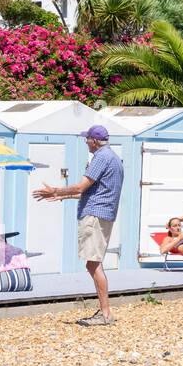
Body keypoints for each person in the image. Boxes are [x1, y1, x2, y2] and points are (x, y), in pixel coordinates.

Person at [33, 125, 124, 326]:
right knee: (94, 262)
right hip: (104, 214)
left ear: (94, 141)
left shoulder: (100, 158)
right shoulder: (115, 158)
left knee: (93, 263)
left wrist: (57, 190)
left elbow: (82, 186)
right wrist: (61, 196)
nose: (85, 142)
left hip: (94, 216)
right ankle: (104, 312)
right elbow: (97, 191)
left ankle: (105, 313)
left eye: (87, 139)